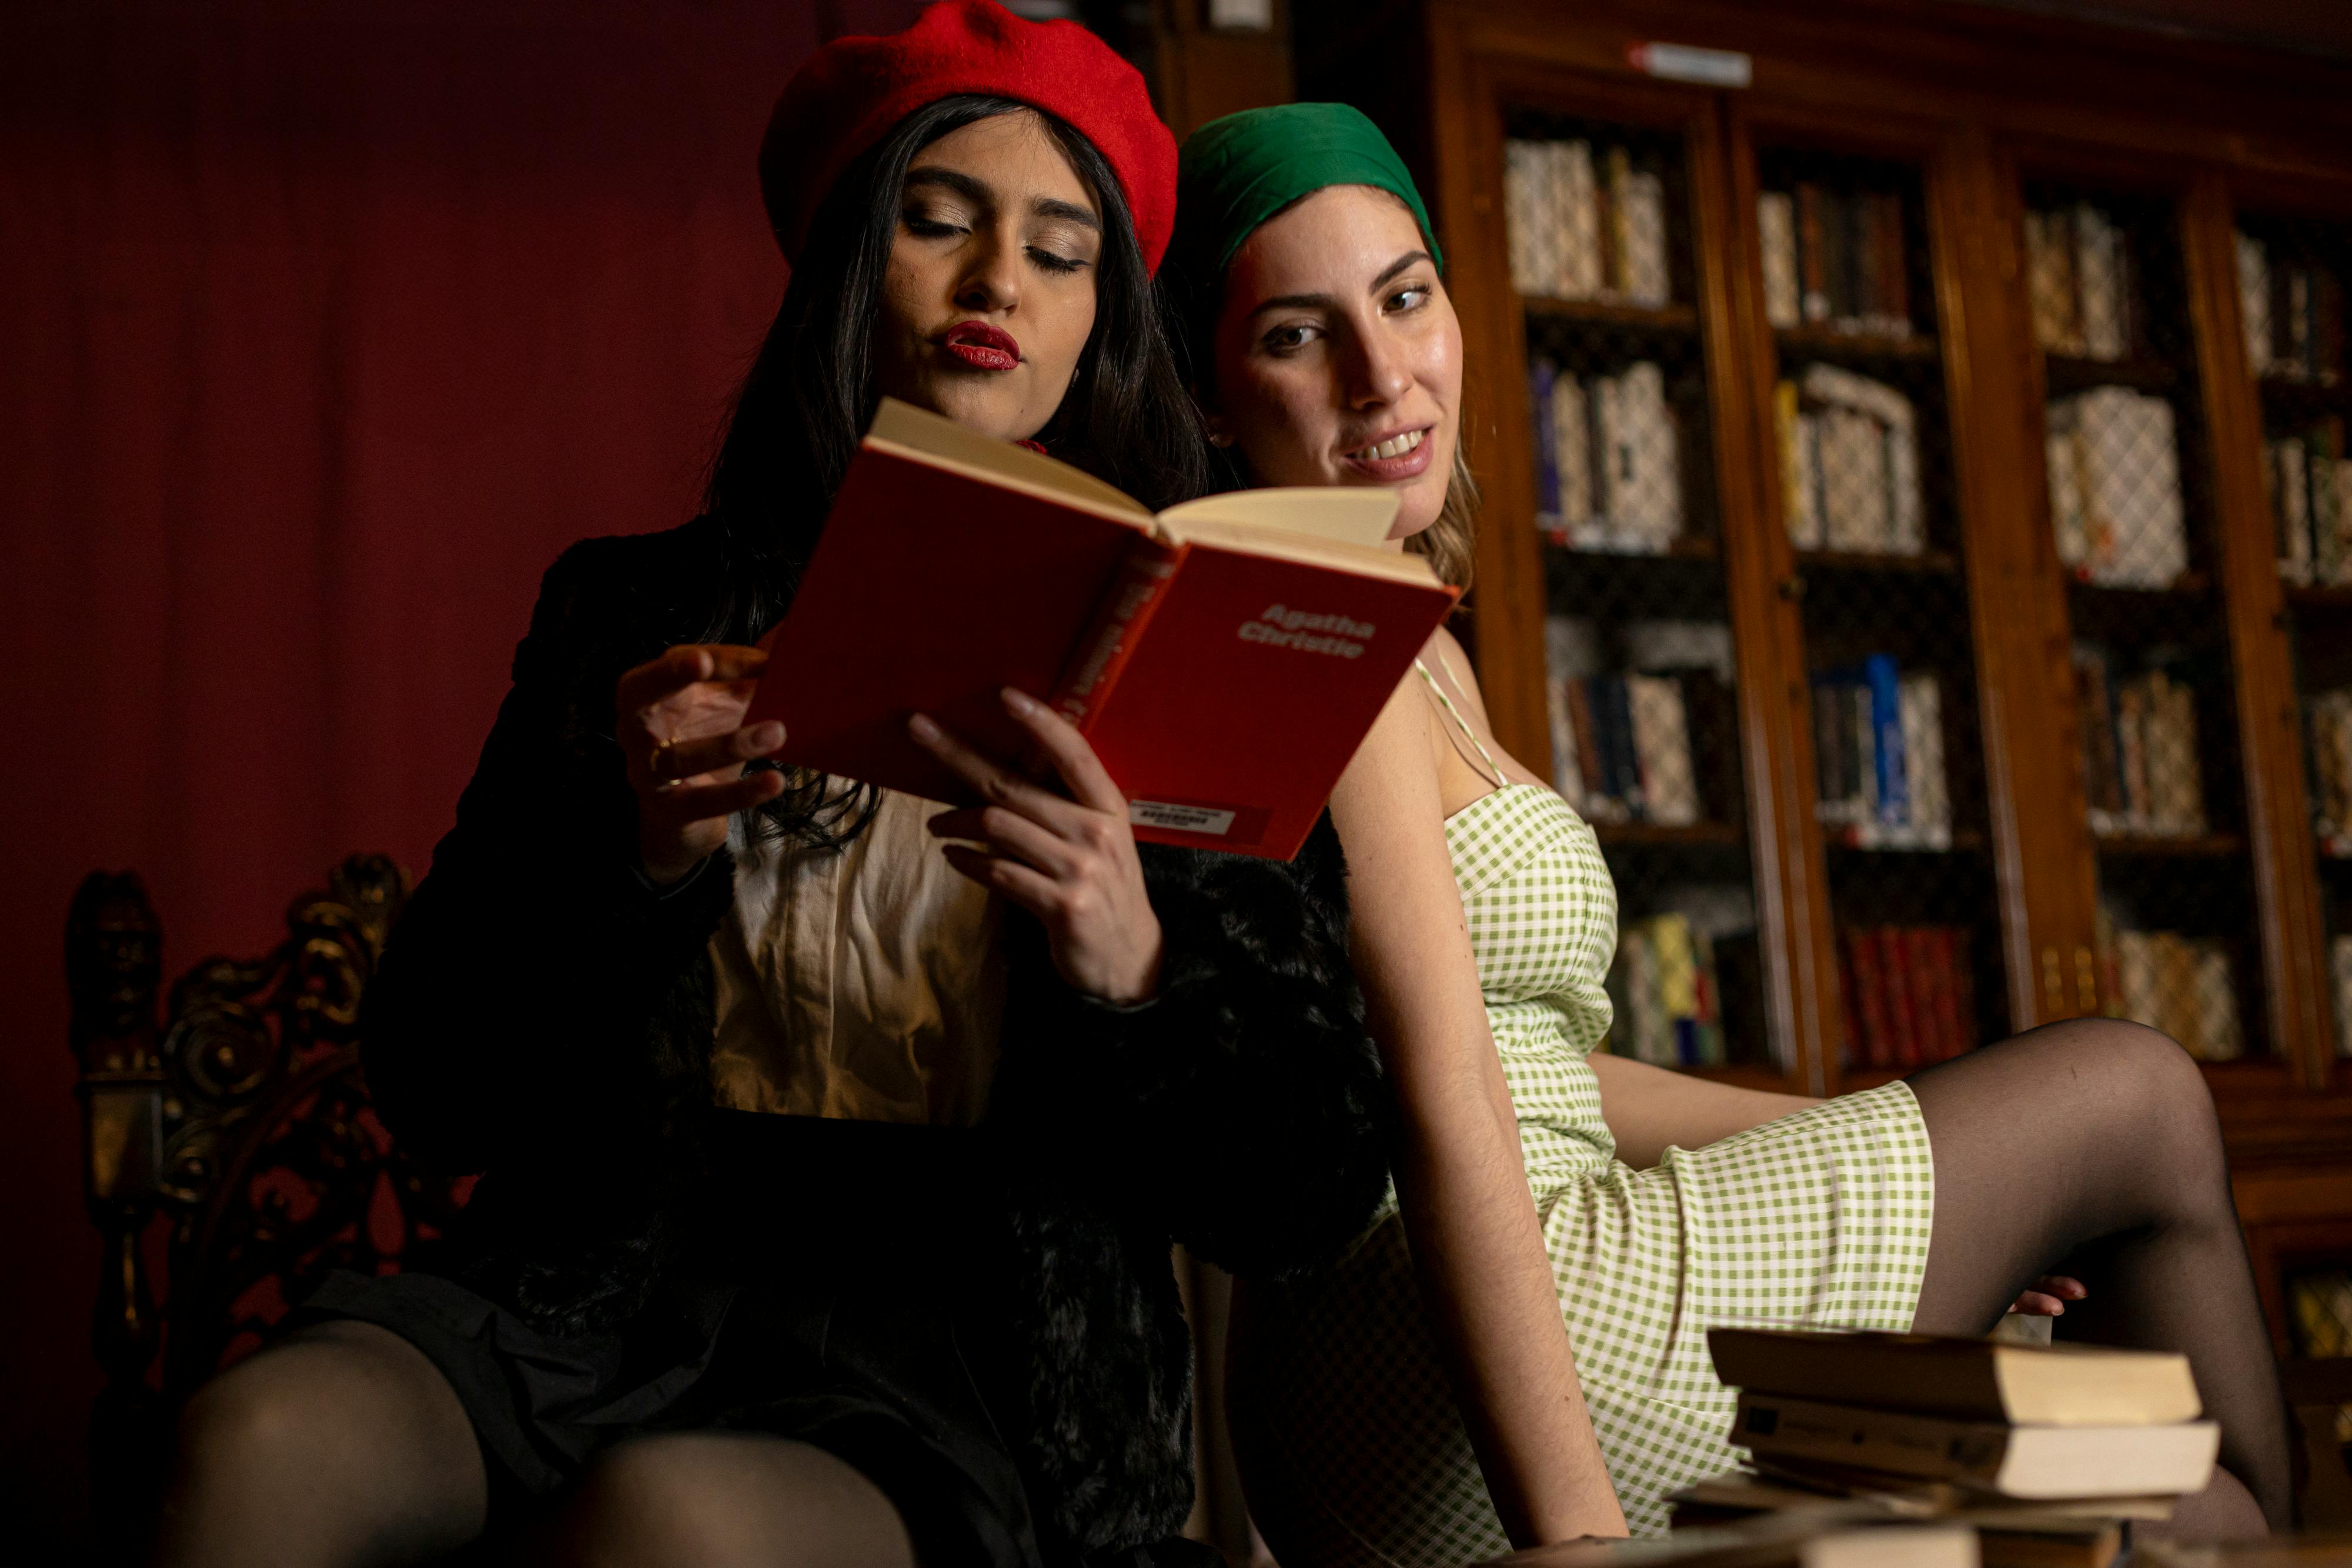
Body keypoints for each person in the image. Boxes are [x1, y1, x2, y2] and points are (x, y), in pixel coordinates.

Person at [150, 15, 1391, 1567]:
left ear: (1100, 329)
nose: (1001, 278)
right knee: (254, 1445)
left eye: (1062, 252)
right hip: (592, 1290)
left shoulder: (1181, 642)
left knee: (671, 1524)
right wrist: (639, 857)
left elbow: (1314, 1190)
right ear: (845, 269)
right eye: (941, 223)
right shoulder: (633, 614)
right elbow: (434, 1075)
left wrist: (1134, 964)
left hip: (952, 1359)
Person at [1165, 102, 2294, 1562]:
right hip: (1464, 1340)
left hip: (1395, 1372)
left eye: (1403, 298)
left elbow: (1538, 1065)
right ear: (1208, 395)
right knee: (2137, 1092)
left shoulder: (1417, 641)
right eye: (1295, 335)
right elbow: (1448, 1109)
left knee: (2162, 1507)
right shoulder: (1331, 640)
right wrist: (1569, 1538)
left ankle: (2242, 1526)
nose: (1382, 374)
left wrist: (1884, 1146)